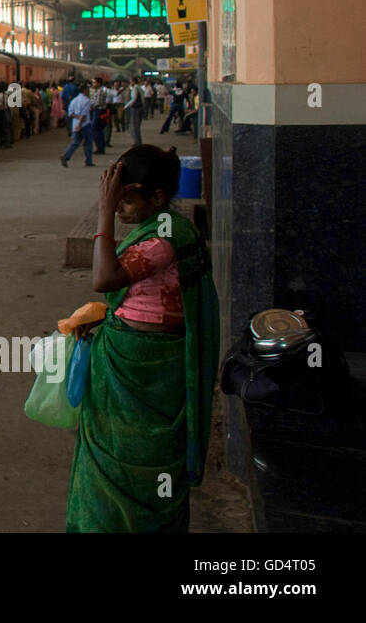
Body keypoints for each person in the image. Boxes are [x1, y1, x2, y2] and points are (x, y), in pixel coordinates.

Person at [67, 145, 220, 532]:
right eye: (115, 201)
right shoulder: (160, 226)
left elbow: (104, 279)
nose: (119, 209)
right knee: (109, 460)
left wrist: (103, 213)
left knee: (133, 462)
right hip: (126, 355)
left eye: (125, 201)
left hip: (147, 373)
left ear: (156, 197)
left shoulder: (164, 238)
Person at [61, 82, 94, 168]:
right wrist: (80, 122)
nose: (89, 92)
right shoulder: (87, 100)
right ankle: (88, 161)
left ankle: (65, 156)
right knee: (88, 143)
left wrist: (77, 120)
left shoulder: (74, 100)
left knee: (74, 142)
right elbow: (84, 115)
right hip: (85, 125)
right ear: (85, 90)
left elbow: (70, 114)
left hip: (75, 124)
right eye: (88, 90)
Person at [127, 75, 144, 146]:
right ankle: (138, 141)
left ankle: (137, 142)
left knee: (134, 126)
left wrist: (126, 106)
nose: (130, 83)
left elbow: (133, 99)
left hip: (135, 108)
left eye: (130, 81)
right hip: (140, 108)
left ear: (133, 82)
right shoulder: (140, 88)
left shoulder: (135, 88)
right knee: (137, 126)